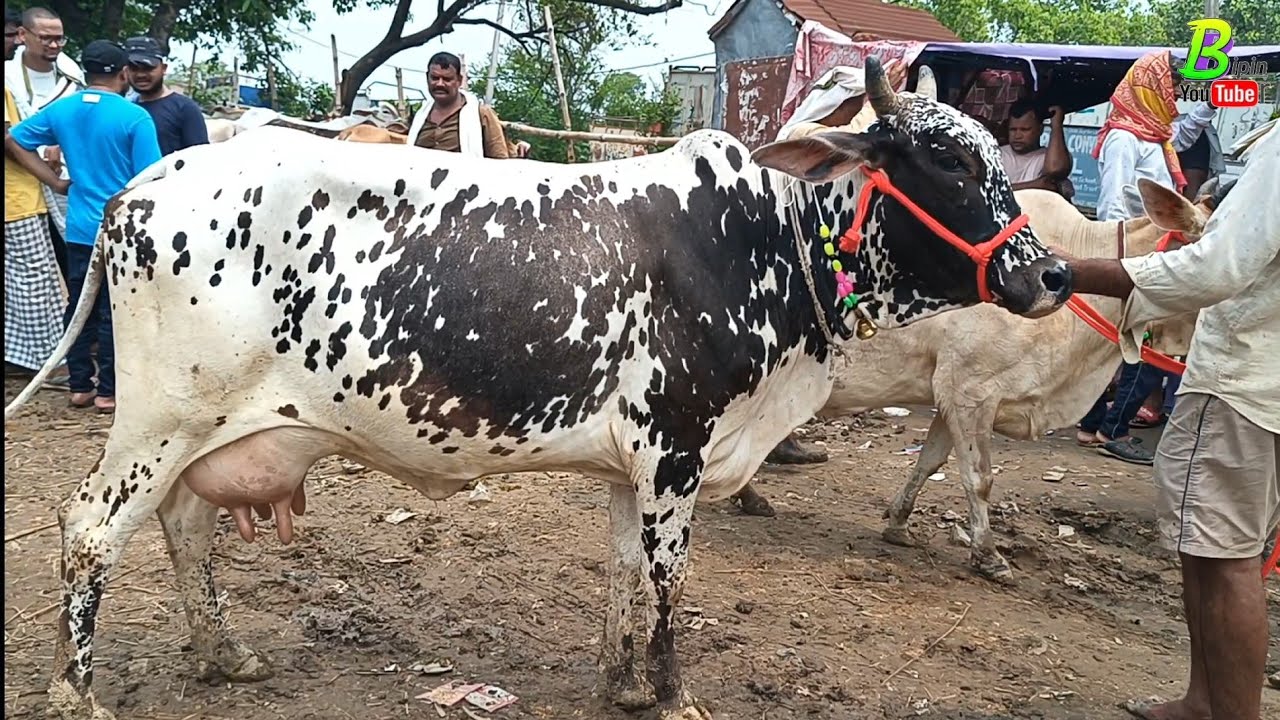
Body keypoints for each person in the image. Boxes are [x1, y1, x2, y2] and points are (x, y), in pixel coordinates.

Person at [1058, 121, 1278, 720]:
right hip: (1266, 384)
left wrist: (1073, 271)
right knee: (1207, 549)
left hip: (1240, 384)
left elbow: (1214, 269)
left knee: (1226, 560)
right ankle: (1202, 702)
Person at [6, 39, 163, 414]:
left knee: (79, 307)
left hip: (78, 227)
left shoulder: (62, 110)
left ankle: (80, 385)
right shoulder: (134, 117)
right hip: (122, 227)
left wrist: (55, 182)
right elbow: (153, 177)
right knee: (115, 310)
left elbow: (15, 140)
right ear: (123, 73)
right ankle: (109, 390)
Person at [1075, 50, 1186, 465]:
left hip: (1154, 250)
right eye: (1172, 87)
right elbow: (1112, 205)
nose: (1176, 95)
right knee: (1148, 346)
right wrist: (1121, 265)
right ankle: (1110, 428)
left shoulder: (1156, 135)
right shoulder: (1124, 138)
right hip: (1136, 256)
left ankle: (1095, 425)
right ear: (1152, 87)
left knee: (1128, 345)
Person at [4, 6, 64, 378]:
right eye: (9, 35)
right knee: (35, 277)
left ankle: (16, 356)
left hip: (24, 192)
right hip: (17, 197)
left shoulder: (67, 74)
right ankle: (46, 362)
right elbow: (10, 142)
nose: (12, 41)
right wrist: (53, 179)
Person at [4, 5, 82, 281]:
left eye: (59, 39)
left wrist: (60, 143)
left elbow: (80, 122)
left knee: (71, 259)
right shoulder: (8, 75)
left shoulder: (72, 76)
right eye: (45, 38)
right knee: (32, 272)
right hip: (21, 185)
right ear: (22, 34)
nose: (54, 45)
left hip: (66, 176)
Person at [406, 51, 512, 158]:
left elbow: (499, 159)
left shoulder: (481, 114)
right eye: (434, 78)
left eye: (447, 79)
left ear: (459, 81)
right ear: (427, 78)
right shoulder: (419, 117)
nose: (439, 84)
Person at [124, 35, 208, 155]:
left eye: (148, 68)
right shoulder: (126, 108)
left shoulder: (184, 108)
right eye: (134, 69)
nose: (140, 75)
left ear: (163, 69)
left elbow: (200, 157)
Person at [999, 100, 1073, 197]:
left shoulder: (1049, 157)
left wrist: (1056, 126)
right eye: (1013, 130)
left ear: (1040, 129)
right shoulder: (996, 154)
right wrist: (1036, 185)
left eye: (1025, 130)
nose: (1017, 136)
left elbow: (1055, 169)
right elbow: (987, 191)